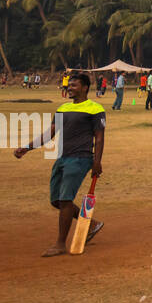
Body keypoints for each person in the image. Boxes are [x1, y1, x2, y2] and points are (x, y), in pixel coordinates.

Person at [14, 73, 106, 257]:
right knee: (56, 200)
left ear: (85, 87)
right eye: (69, 85)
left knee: (65, 200)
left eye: (74, 85)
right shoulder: (63, 108)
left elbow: (99, 136)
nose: (69, 88)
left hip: (81, 158)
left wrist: (97, 162)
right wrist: (27, 147)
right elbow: (51, 133)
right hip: (62, 158)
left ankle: (60, 244)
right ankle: (92, 224)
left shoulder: (95, 108)